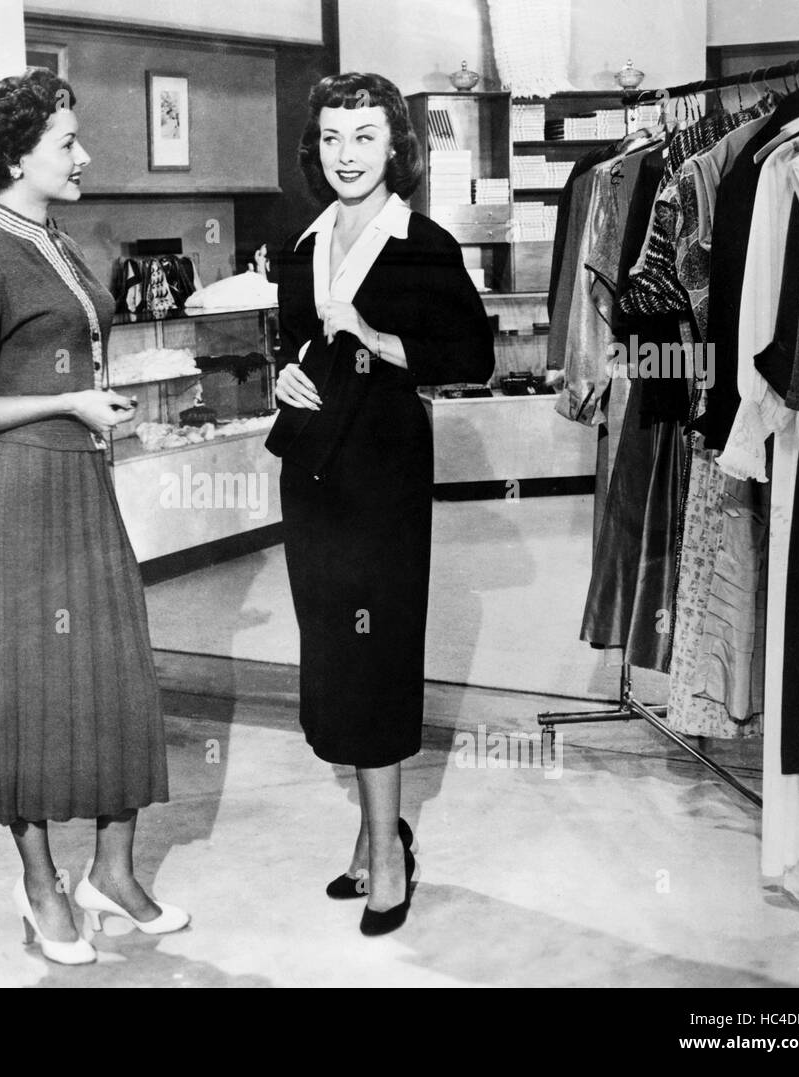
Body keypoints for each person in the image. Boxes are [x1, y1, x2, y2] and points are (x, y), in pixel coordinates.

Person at [0, 69, 187, 966]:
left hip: (84, 487)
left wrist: (88, 401)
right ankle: (40, 887)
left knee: (116, 674)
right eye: (67, 142)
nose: (85, 154)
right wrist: (64, 406)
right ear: (17, 155)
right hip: (23, 499)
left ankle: (114, 869)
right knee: (30, 693)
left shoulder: (55, 240)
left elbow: (59, 357)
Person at [269, 73, 494, 935]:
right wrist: (284, 375)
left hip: (385, 481)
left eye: (364, 137)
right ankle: (375, 828)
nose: (347, 155)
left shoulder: (424, 243)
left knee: (377, 657)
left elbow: (471, 353)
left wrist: (376, 338)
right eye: (331, 138)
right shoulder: (301, 244)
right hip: (311, 479)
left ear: (396, 146)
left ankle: (390, 858)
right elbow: (293, 349)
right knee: (330, 655)